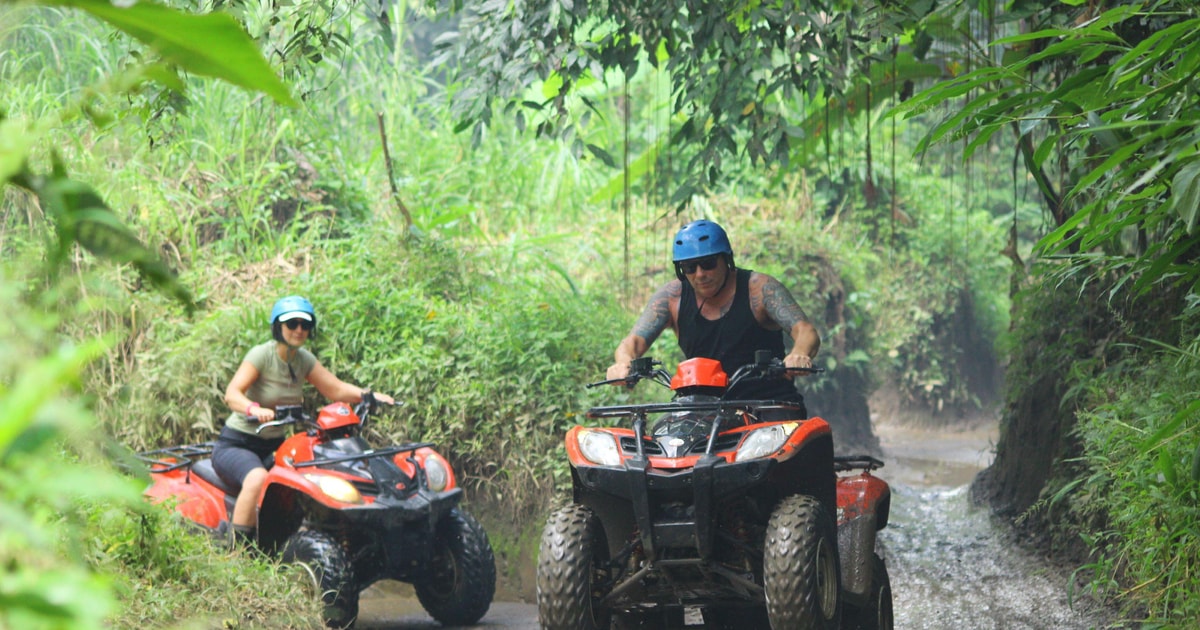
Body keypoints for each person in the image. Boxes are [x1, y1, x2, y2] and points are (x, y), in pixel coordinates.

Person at [212, 295, 394, 545]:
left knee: (314, 470)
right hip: (238, 444)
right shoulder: (262, 355)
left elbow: (335, 389)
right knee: (256, 479)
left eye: (305, 324)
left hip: (274, 445)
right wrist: (254, 409)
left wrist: (369, 395)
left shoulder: (303, 360)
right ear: (279, 326)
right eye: (292, 323)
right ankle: (236, 548)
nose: (299, 329)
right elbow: (232, 394)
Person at [607, 219, 821, 414]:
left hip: (767, 403)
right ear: (681, 270)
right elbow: (632, 342)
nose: (700, 274)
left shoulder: (759, 289)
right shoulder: (672, 297)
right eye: (690, 267)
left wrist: (799, 355)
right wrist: (623, 363)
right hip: (701, 407)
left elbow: (805, 331)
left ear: (726, 260)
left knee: (791, 446)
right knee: (665, 440)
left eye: (708, 263)